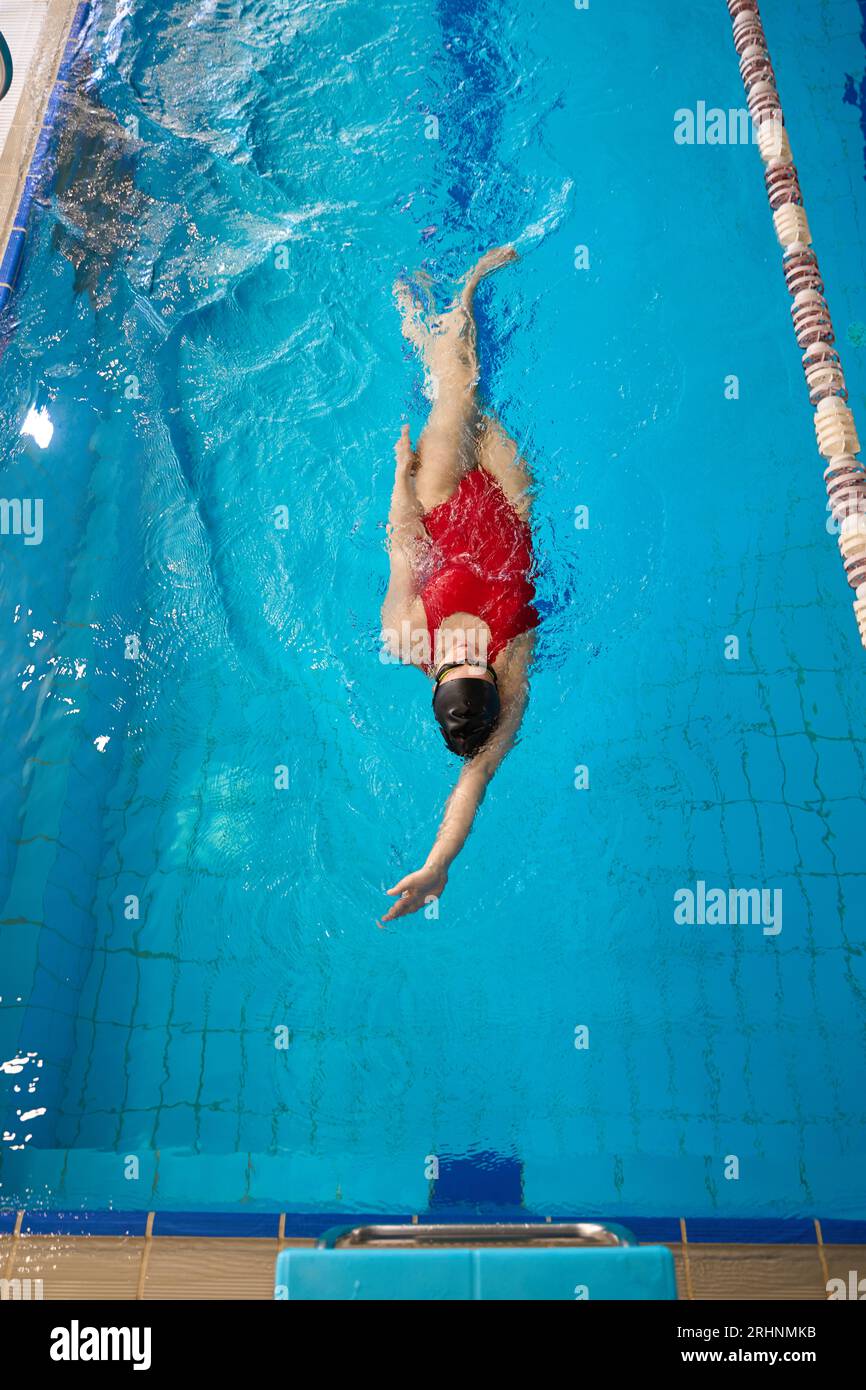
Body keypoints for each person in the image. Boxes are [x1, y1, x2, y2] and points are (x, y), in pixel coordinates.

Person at [379, 246, 539, 923]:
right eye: (481, 659)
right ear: (494, 680)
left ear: (438, 674)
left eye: (457, 657)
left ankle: (451, 296)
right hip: (509, 505)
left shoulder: (407, 635)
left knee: (461, 392)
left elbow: (403, 547)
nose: (470, 644)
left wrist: (401, 476)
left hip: (442, 495)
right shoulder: (515, 665)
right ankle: (430, 330)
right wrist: (442, 862)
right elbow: (474, 776)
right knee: (479, 399)